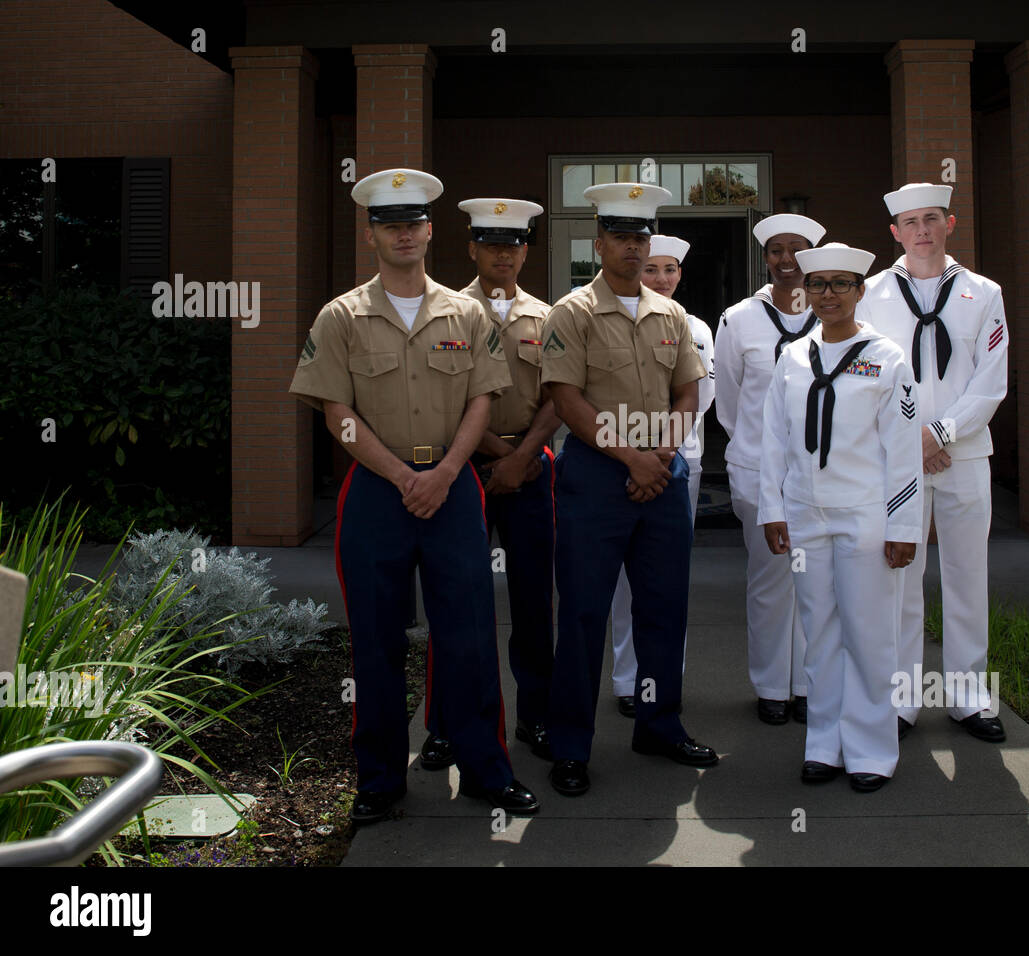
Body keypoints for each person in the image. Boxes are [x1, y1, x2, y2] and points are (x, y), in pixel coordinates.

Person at [289, 168, 539, 822]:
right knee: (376, 641)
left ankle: (487, 770)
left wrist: (448, 471)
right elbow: (336, 413)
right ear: (371, 233)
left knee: (470, 637)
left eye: (414, 222)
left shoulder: (466, 312)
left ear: (430, 231)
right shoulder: (341, 316)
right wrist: (403, 477)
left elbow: (483, 397)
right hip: (378, 492)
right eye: (389, 223)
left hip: (453, 489)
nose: (403, 233)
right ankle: (379, 781)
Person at [541, 182, 716, 797]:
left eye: (641, 237)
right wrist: (632, 459)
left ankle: (659, 725)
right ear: (599, 243)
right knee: (586, 615)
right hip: (596, 477)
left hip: (662, 476)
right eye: (621, 237)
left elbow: (688, 389)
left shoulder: (672, 315)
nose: (633, 248)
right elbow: (566, 398)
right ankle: (570, 746)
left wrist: (661, 454)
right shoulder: (572, 313)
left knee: (664, 610)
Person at [759, 243, 922, 792]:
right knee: (819, 631)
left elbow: (902, 449)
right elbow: (774, 440)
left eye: (840, 284)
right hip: (806, 516)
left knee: (869, 633)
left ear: (860, 290)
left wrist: (903, 526)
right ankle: (824, 743)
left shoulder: (887, 356)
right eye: (819, 284)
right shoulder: (793, 357)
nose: (827, 295)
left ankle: (874, 750)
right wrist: (773, 508)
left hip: (864, 515)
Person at [408, 198, 560, 770]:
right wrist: (498, 454)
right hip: (460, 469)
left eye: (514, 244)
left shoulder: (549, 319)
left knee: (532, 601)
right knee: (455, 602)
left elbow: (559, 397)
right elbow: (435, 399)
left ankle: (535, 716)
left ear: (525, 250)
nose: (504, 253)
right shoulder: (440, 313)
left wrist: (522, 457)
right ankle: (446, 725)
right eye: (492, 244)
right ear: (471, 248)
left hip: (530, 466)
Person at [859, 183, 1009, 743]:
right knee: (900, 577)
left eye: (931, 219)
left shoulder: (984, 293)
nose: (922, 230)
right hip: (898, 460)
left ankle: (969, 698)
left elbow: (991, 381)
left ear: (950, 223)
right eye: (910, 222)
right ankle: (902, 701)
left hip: (965, 454)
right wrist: (910, 441)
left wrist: (939, 432)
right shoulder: (871, 295)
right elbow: (866, 379)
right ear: (895, 232)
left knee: (968, 575)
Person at [714, 213, 826, 726]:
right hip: (759, 469)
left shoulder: (834, 318)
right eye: (776, 251)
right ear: (766, 259)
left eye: (796, 249)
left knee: (816, 579)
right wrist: (761, 451)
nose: (786, 260)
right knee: (769, 577)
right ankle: (770, 688)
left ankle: (807, 684)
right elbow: (730, 405)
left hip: (820, 473)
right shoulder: (739, 320)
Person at [608, 234, 715, 717]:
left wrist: (660, 453)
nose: (661, 278)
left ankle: (665, 677)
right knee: (624, 580)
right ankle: (627, 679)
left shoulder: (696, 328)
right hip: (622, 457)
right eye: (652, 269)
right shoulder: (610, 317)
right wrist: (639, 457)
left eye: (670, 270)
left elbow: (700, 397)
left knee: (668, 576)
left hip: (677, 461)